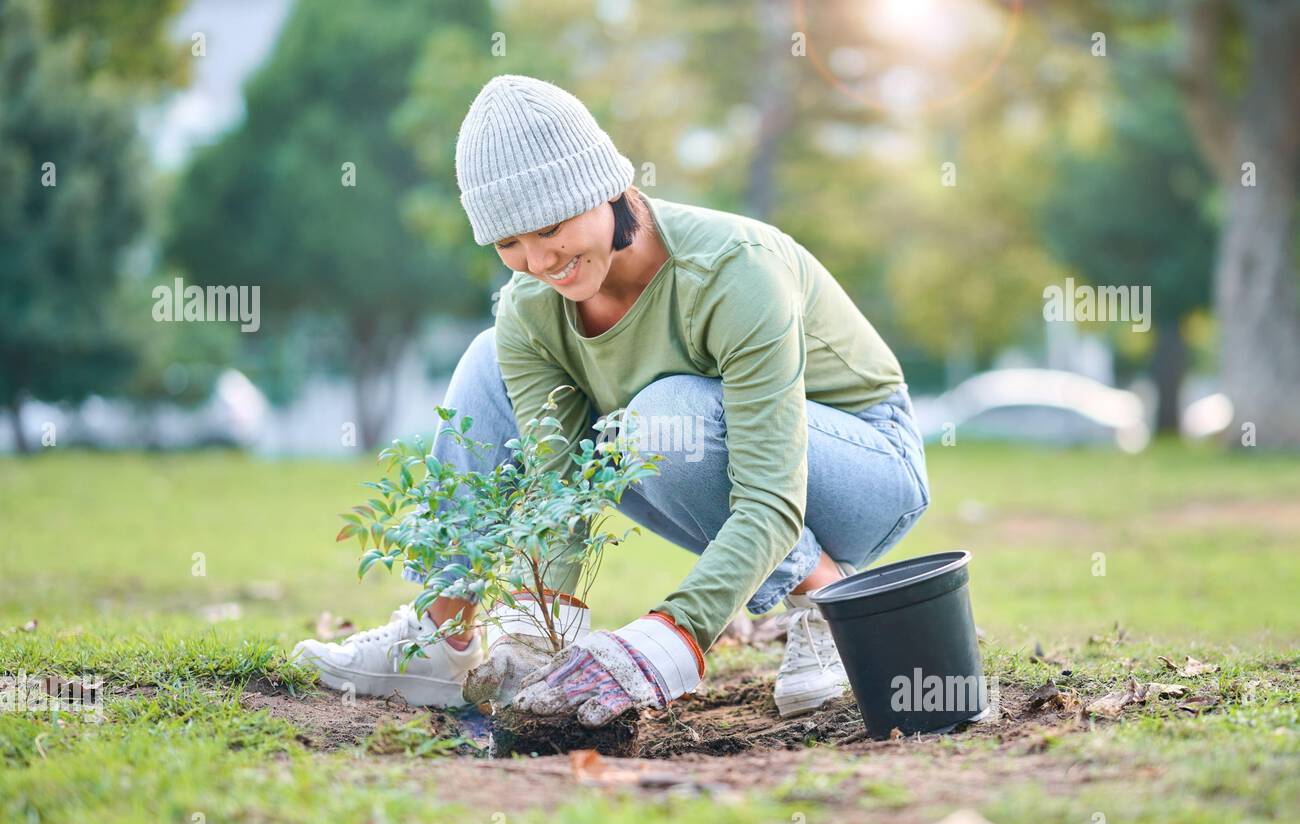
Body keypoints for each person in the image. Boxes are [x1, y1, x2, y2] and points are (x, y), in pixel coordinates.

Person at [292, 74, 930, 724]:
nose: (540, 261)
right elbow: (557, 476)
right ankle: (442, 632)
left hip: (862, 469)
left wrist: (669, 636)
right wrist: (536, 624)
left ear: (607, 189)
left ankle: (827, 600)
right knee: (490, 358)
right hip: (693, 450)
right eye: (509, 243)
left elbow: (772, 494)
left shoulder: (736, 273)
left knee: (661, 421)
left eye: (549, 226)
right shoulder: (534, 308)